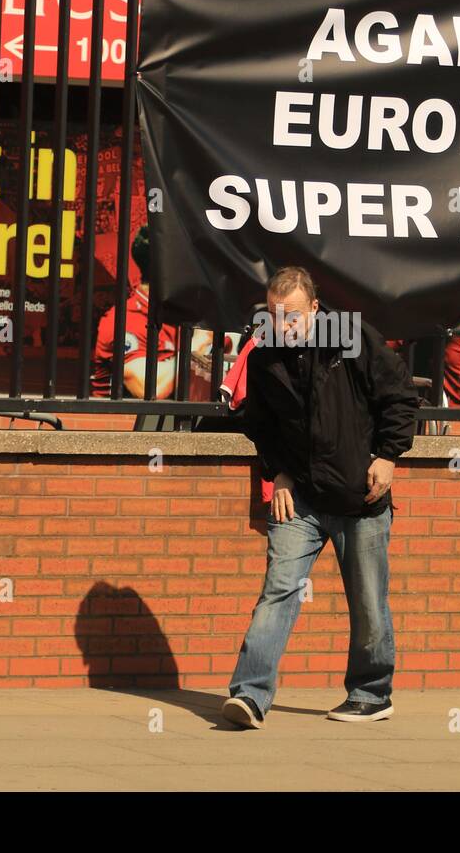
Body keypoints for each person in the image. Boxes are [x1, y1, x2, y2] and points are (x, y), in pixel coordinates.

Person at [223, 266, 419, 728]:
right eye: (272, 315)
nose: (281, 324)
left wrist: (388, 457)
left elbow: (400, 396)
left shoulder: (353, 338)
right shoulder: (263, 354)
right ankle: (249, 695)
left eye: (290, 315)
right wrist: (280, 472)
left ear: (313, 308)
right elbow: (261, 425)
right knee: (277, 591)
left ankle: (372, 694)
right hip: (302, 499)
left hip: (360, 495)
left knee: (369, 600)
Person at [90, 226, 211, 398]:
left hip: (177, 421)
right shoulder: (124, 320)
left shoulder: (184, 314)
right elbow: (150, 388)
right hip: (125, 424)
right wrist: (197, 344)